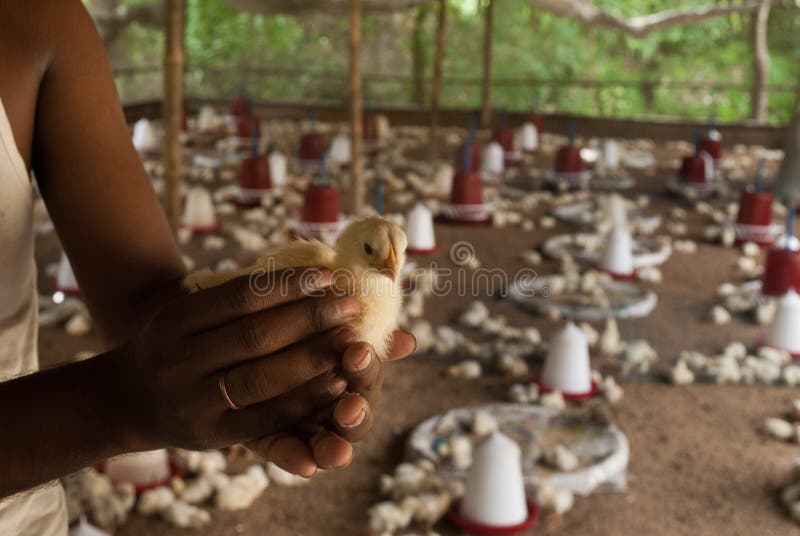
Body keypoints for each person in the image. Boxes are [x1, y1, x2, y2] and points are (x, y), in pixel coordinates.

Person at [0, 1, 415, 534]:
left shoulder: (37, 20)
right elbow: (132, 381)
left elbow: (145, 298)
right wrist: (114, 403)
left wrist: (255, 363)